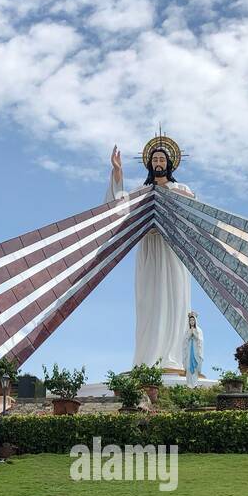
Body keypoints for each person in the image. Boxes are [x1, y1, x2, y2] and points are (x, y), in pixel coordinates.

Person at [106, 135, 195, 375]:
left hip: (172, 250)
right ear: (149, 164)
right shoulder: (143, 191)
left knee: (175, 299)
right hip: (149, 248)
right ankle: (148, 357)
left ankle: (173, 357)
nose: (158, 162)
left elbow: (193, 207)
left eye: (161, 158)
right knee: (149, 302)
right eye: (154, 159)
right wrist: (117, 173)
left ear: (169, 163)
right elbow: (119, 206)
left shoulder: (180, 188)